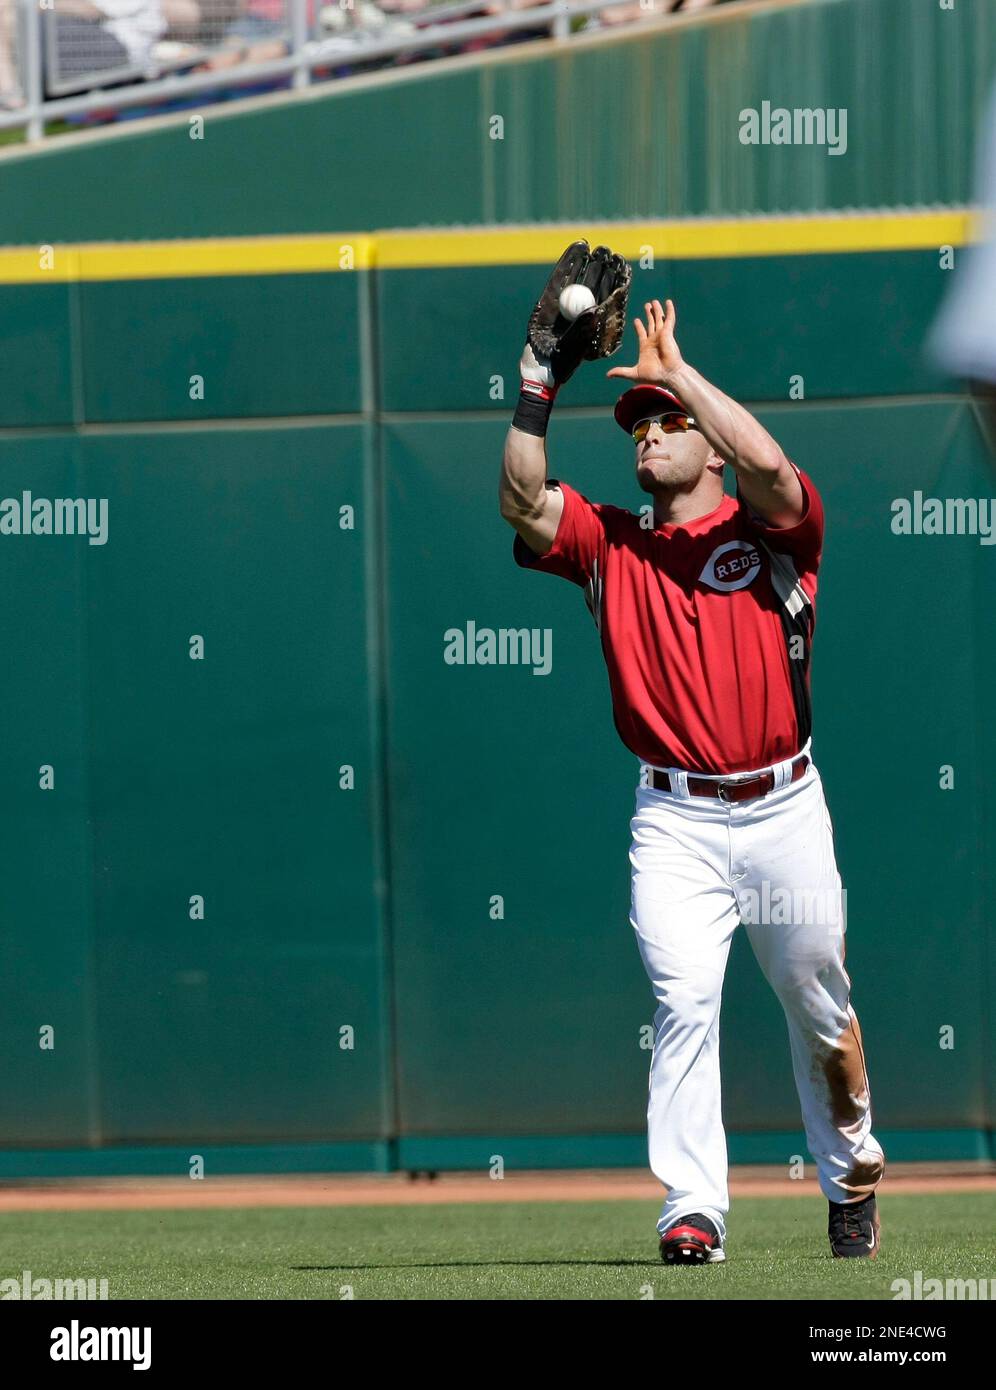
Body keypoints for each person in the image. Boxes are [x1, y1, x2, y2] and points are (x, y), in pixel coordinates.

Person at [499, 279, 886, 1263]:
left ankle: (848, 1174)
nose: (649, 432)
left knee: (820, 1006)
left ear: (707, 443)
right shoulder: (611, 544)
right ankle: (693, 1207)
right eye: (639, 422)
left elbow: (770, 464)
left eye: (668, 421)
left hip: (783, 806)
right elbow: (523, 497)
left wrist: (685, 377)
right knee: (682, 1002)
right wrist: (539, 381)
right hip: (672, 819)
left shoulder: (776, 541)